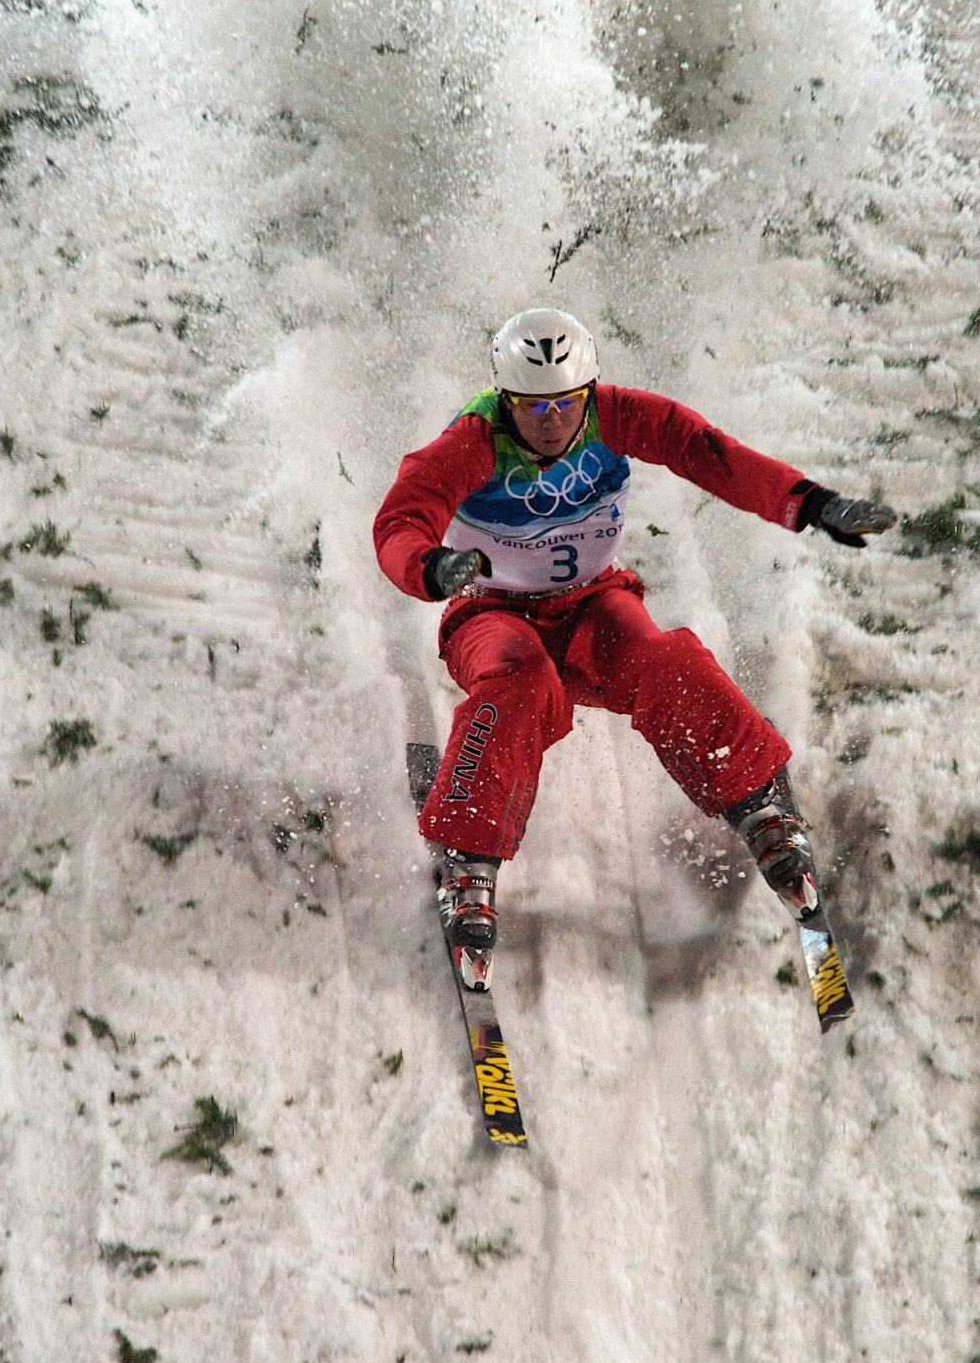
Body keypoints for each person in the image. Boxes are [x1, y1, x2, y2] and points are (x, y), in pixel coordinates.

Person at [373, 308, 895, 991]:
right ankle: (468, 862)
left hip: (593, 605)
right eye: (533, 407)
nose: (553, 421)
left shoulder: (614, 415)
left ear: (588, 391)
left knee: (665, 659)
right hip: (493, 615)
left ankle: (758, 804)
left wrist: (809, 502)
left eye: (566, 403)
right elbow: (398, 523)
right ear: (506, 399)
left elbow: (707, 451)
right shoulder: (471, 443)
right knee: (517, 681)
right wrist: (432, 567)